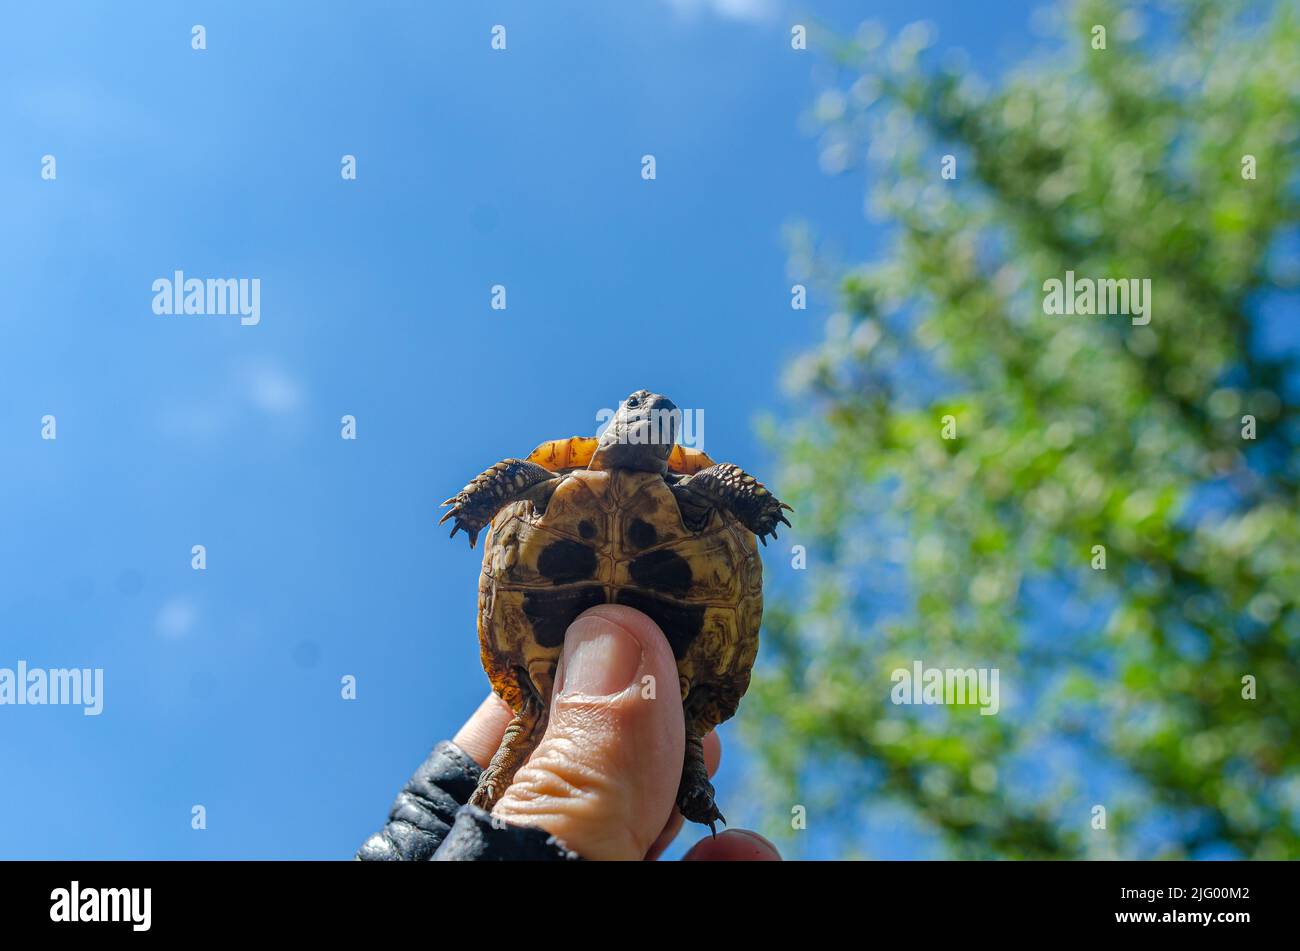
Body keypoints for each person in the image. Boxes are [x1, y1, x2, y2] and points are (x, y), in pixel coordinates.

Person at [357, 605, 781, 861]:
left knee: (526, 719)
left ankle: (692, 778)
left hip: (551, 664)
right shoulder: (559, 480)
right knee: (521, 728)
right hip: (662, 665)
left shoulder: (691, 490)